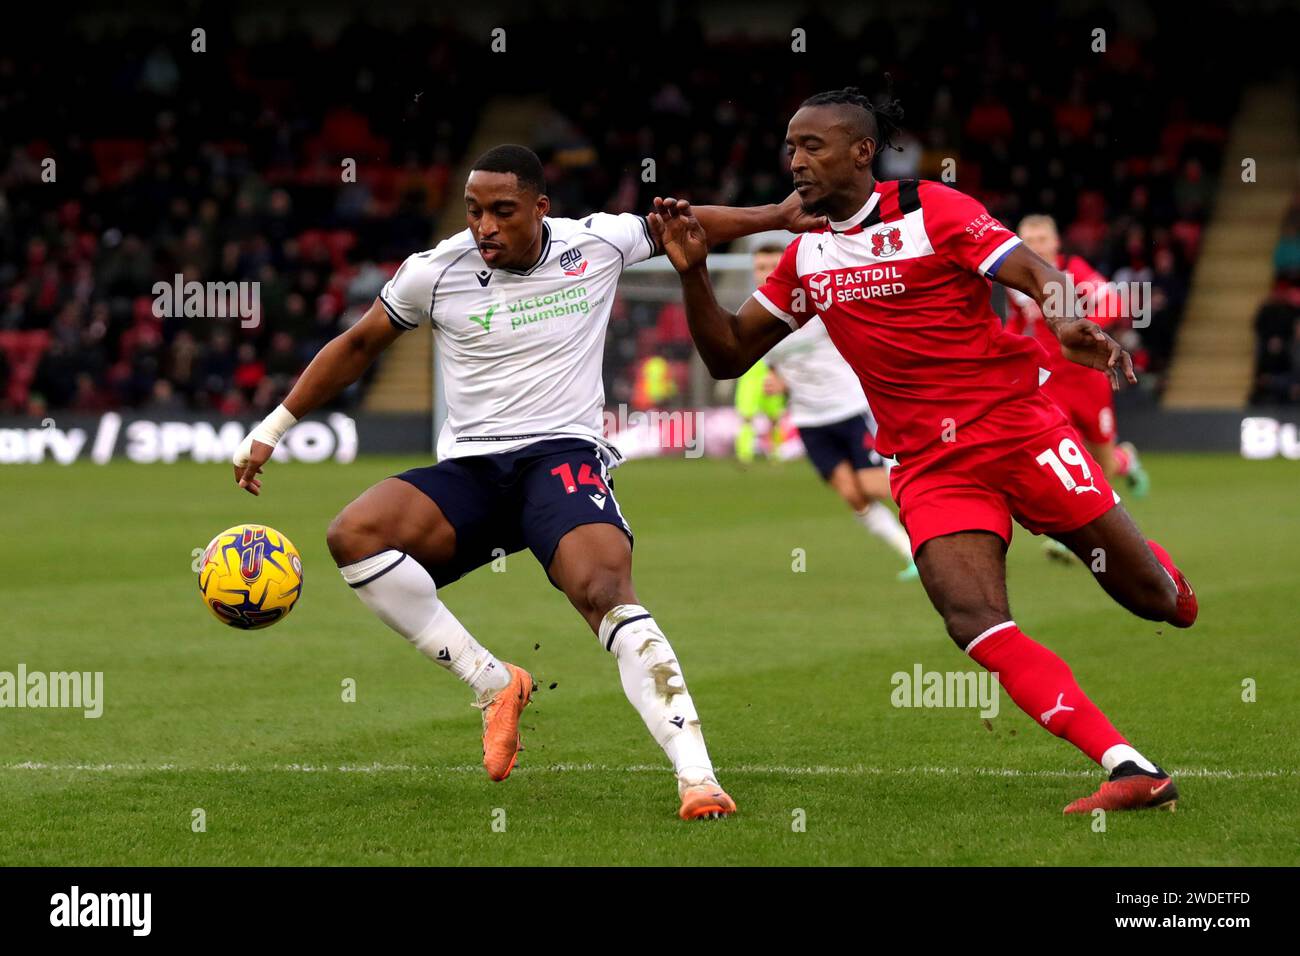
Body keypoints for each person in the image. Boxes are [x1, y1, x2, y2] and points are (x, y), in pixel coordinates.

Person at [232, 144, 823, 820]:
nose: (485, 226)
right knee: (355, 534)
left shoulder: (594, 243)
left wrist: (775, 215)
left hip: (559, 460)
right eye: (475, 211)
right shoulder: (435, 271)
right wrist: (274, 426)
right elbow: (359, 345)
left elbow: (685, 229)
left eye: (503, 212)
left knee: (604, 589)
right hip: (473, 471)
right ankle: (493, 682)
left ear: (541, 209)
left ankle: (698, 778)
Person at [650, 89, 1197, 814]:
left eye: (813, 146)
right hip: (928, 465)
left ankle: (1156, 569)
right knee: (972, 617)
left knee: (1157, 603)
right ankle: (1127, 764)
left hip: (1016, 428)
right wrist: (692, 273)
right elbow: (727, 356)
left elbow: (1041, 274)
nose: (796, 160)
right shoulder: (804, 255)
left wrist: (1064, 323)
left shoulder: (934, 208)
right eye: (790, 147)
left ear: (862, 152)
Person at [751, 245, 917, 579]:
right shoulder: (757, 318)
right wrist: (778, 385)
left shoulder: (817, 301)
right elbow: (775, 367)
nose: (767, 271)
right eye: (760, 266)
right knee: (852, 495)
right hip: (809, 419)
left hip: (850, 407)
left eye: (773, 263)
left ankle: (940, 534)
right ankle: (910, 553)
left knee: (875, 486)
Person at [1008, 215, 1150, 500]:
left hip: (1087, 379)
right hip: (1050, 382)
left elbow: (1113, 302)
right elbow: (1017, 325)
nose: (1036, 247)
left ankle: (1126, 459)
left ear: (1056, 242)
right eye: (1029, 241)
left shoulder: (1073, 271)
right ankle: (1068, 531)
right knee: (1064, 456)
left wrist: (1085, 331)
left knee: (1104, 465)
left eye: (1042, 239)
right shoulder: (1016, 281)